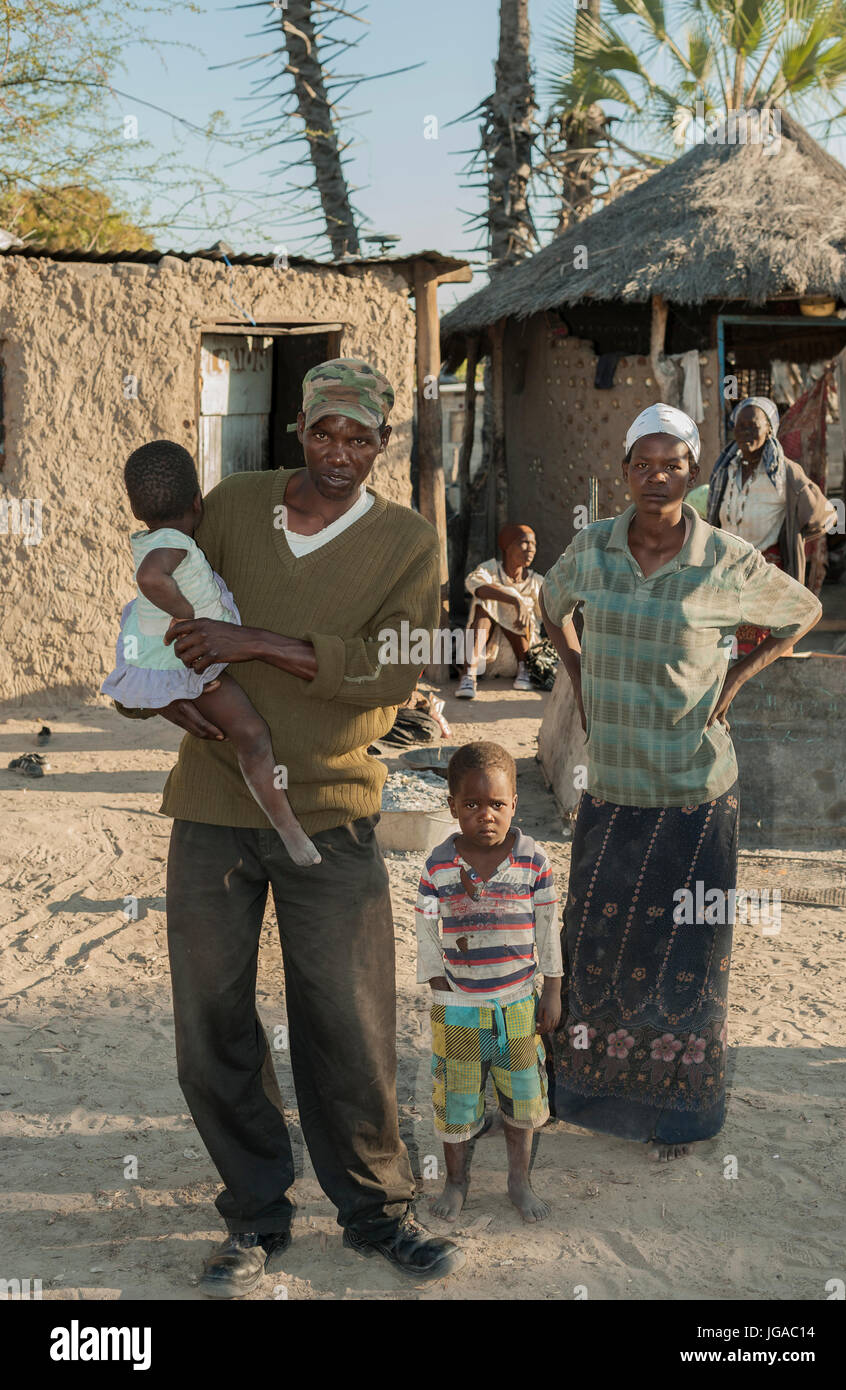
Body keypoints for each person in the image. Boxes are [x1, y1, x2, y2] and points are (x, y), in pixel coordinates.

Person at [112, 358, 464, 1294]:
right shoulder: (235, 504)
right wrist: (160, 692)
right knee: (211, 1024)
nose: (339, 452)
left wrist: (256, 642)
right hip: (215, 807)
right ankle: (255, 1216)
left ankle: (378, 1213)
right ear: (297, 432)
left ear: (384, 443)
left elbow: (395, 671)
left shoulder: (407, 542)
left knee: (346, 1020)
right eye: (323, 433)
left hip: (335, 808)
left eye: (359, 437)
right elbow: (167, 594)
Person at [540, 403, 822, 1161]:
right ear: (623, 472)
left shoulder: (725, 558)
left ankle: (676, 1118)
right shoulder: (592, 548)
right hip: (613, 789)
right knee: (595, 948)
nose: (656, 477)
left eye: (672, 464)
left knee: (686, 959)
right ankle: (590, 1098)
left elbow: (802, 611)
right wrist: (581, 679)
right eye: (642, 463)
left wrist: (733, 681)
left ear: (690, 472)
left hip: (696, 798)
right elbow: (549, 608)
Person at [102, 442, 320, 867]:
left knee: (248, 735)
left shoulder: (153, 538)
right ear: (199, 501)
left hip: (172, 658)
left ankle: (284, 826)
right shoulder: (172, 542)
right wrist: (185, 614)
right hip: (187, 661)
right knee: (253, 737)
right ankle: (289, 829)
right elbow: (150, 577)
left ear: (134, 509)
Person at [415, 741, 562, 1222]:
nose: (486, 815)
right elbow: (425, 926)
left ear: (514, 804)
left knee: (521, 1095)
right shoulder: (439, 865)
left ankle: (519, 1181)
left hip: (517, 1003)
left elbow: (547, 929)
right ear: (452, 805)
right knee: (455, 1097)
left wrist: (553, 989)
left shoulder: (534, 861)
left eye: (497, 804)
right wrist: (439, 982)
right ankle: (456, 1183)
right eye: (472, 805)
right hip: (457, 1005)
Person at [707, 395, 834, 653]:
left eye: (753, 425)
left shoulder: (784, 473)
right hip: (727, 572)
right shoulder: (725, 471)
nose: (745, 432)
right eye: (740, 426)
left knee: (763, 650)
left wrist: (794, 536)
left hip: (764, 573)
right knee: (726, 649)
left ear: (769, 429)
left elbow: (827, 515)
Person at [456, 524, 543, 697]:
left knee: (503, 600)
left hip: (521, 652)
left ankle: (523, 668)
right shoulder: (489, 570)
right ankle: (469, 676)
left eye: (533, 544)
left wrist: (519, 605)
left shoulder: (536, 582)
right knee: (487, 600)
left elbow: (548, 617)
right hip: (488, 656)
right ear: (507, 546)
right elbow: (474, 585)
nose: (531, 549)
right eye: (524, 543)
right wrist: (515, 600)